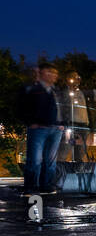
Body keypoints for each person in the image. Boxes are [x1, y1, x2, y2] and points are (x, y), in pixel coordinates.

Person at [19, 62, 64, 194]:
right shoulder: (32, 89)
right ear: (42, 73)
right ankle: (31, 186)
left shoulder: (56, 91)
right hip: (38, 128)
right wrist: (30, 122)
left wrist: (63, 123)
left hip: (56, 129)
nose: (53, 76)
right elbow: (21, 107)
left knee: (51, 160)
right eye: (49, 72)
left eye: (55, 73)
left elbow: (62, 108)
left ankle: (47, 185)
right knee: (35, 159)